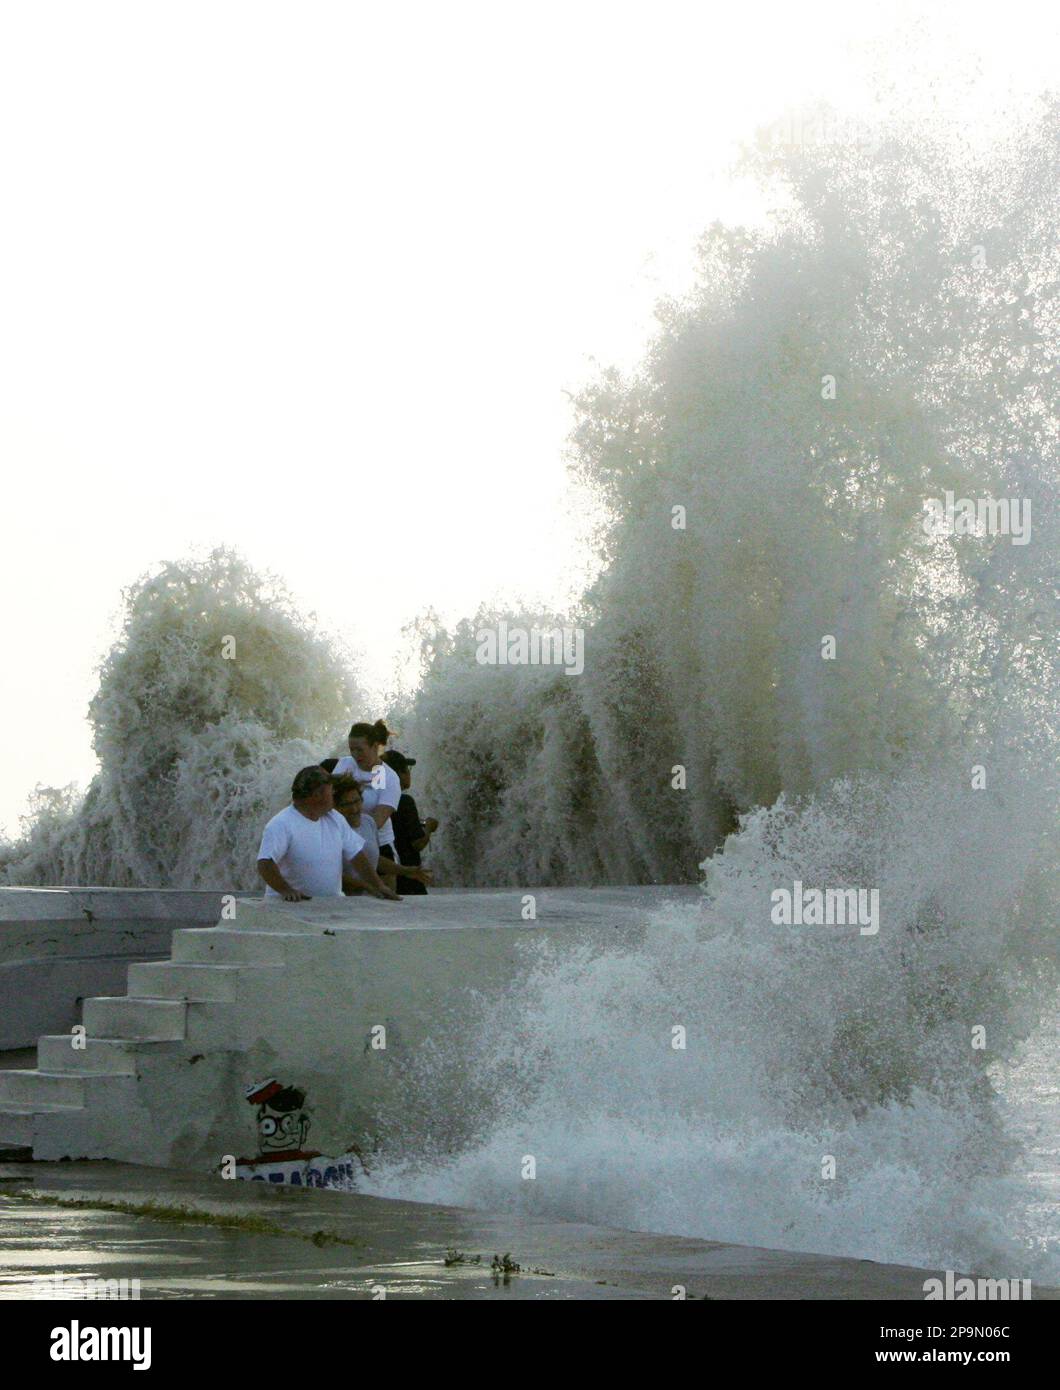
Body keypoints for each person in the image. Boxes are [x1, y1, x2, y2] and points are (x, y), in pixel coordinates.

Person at [256, 766, 400, 902]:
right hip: (292, 907)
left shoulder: (334, 818)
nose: (333, 794)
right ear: (317, 795)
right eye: (331, 790)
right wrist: (286, 890)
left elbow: (356, 855)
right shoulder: (281, 823)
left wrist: (378, 885)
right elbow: (265, 862)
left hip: (333, 904)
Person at [331, 776, 432, 893]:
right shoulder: (331, 830)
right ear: (333, 806)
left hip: (368, 899)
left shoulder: (368, 823)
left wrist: (406, 871)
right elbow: (329, 873)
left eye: (356, 801)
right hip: (341, 899)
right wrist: (368, 886)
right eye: (346, 804)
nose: (354, 809)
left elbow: (373, 859)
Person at [326, 720, 402, 865]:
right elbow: (330, 800)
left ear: (374, 747)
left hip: (378, 845)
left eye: (360, 750)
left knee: (381, 888)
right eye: (351, 749)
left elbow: (376, 822)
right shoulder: (345, 764)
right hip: (343, 842)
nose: (355, 755)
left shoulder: (386, 776)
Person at [382, 750, 438, 896]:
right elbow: (417, 843)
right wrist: (429, 828)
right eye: (407, 770)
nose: (408, 774)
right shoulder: (404, 801)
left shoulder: (378, 800)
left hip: (386, 874)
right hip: (408, 875)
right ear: (397, 774)